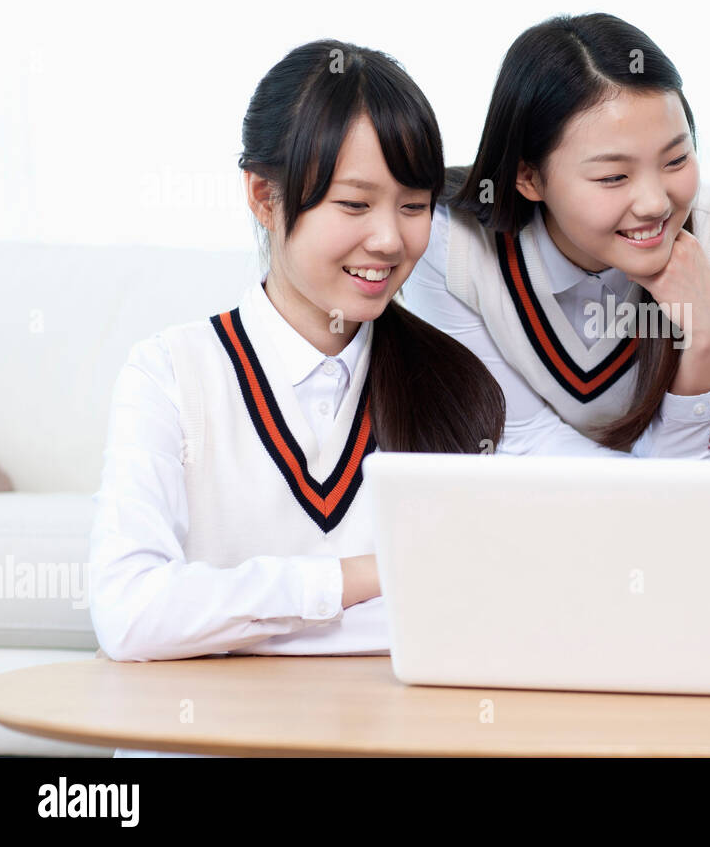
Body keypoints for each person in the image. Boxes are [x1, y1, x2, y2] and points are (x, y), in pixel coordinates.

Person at [88, 40, 505, 752]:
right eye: (353, 203)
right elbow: (129, 613)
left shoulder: (457, 386)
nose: (388, 239)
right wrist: (364, 580)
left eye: (413, 206)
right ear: (262, 195)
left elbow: (489, 614)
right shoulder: (170, 374)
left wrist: (223, 615)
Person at [403, 12, 710, 587]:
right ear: (528, 178)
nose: (657, 202)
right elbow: (518, 444)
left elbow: (699, 461)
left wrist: (709, 342)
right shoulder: (449, 244)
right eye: (613, 178)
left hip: (683, 539)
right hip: (536, 533)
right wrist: (701, 511)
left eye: (677, 160)